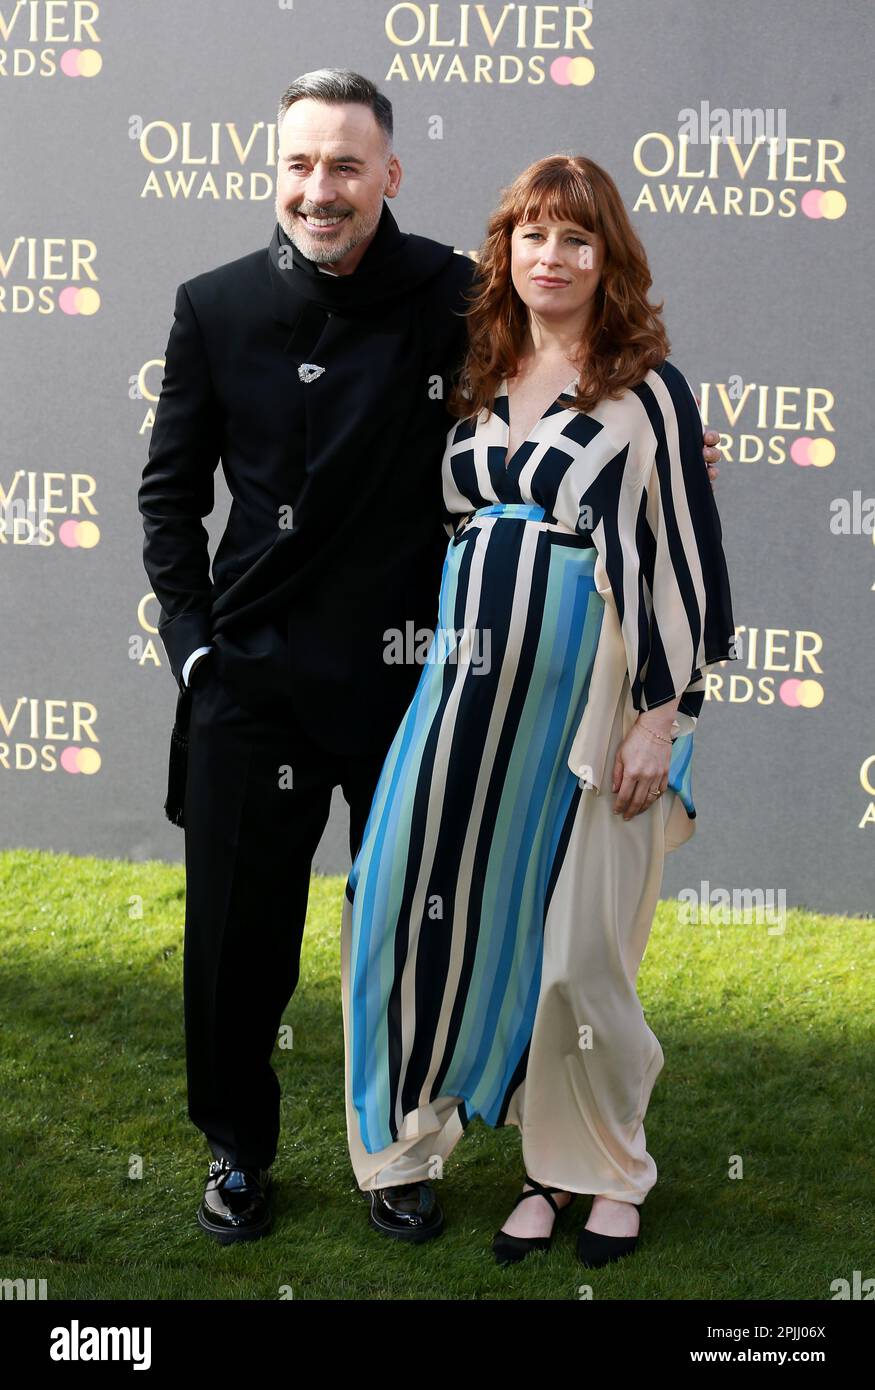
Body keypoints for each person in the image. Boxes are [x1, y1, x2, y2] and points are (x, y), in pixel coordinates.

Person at [138, 69, 724, 1245]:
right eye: (300, 165)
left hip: (423, 683)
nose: (321, 189)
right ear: (275, 172)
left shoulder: (458, 292)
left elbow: (595, 387)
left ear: (388, 174)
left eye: (345, 166)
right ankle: (238, 1152)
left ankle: (414, 1156)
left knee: (433, 921)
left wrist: (671, 453)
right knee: (235, 947)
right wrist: (198, 656)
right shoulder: (215, 305)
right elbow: (166, 498)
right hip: (256, 679)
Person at [340, 154, 737, 1269]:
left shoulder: (645, 384)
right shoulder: (472, 373)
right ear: (501, 252)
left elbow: (680, 557)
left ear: (606, 258)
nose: (549, 258)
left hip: (595, 699)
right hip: (463, 695)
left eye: (574, 239)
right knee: (402, 898)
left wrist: (660, 715)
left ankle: (597, 1170)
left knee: (579, 954)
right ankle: (417, 1140)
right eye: (530, 236)